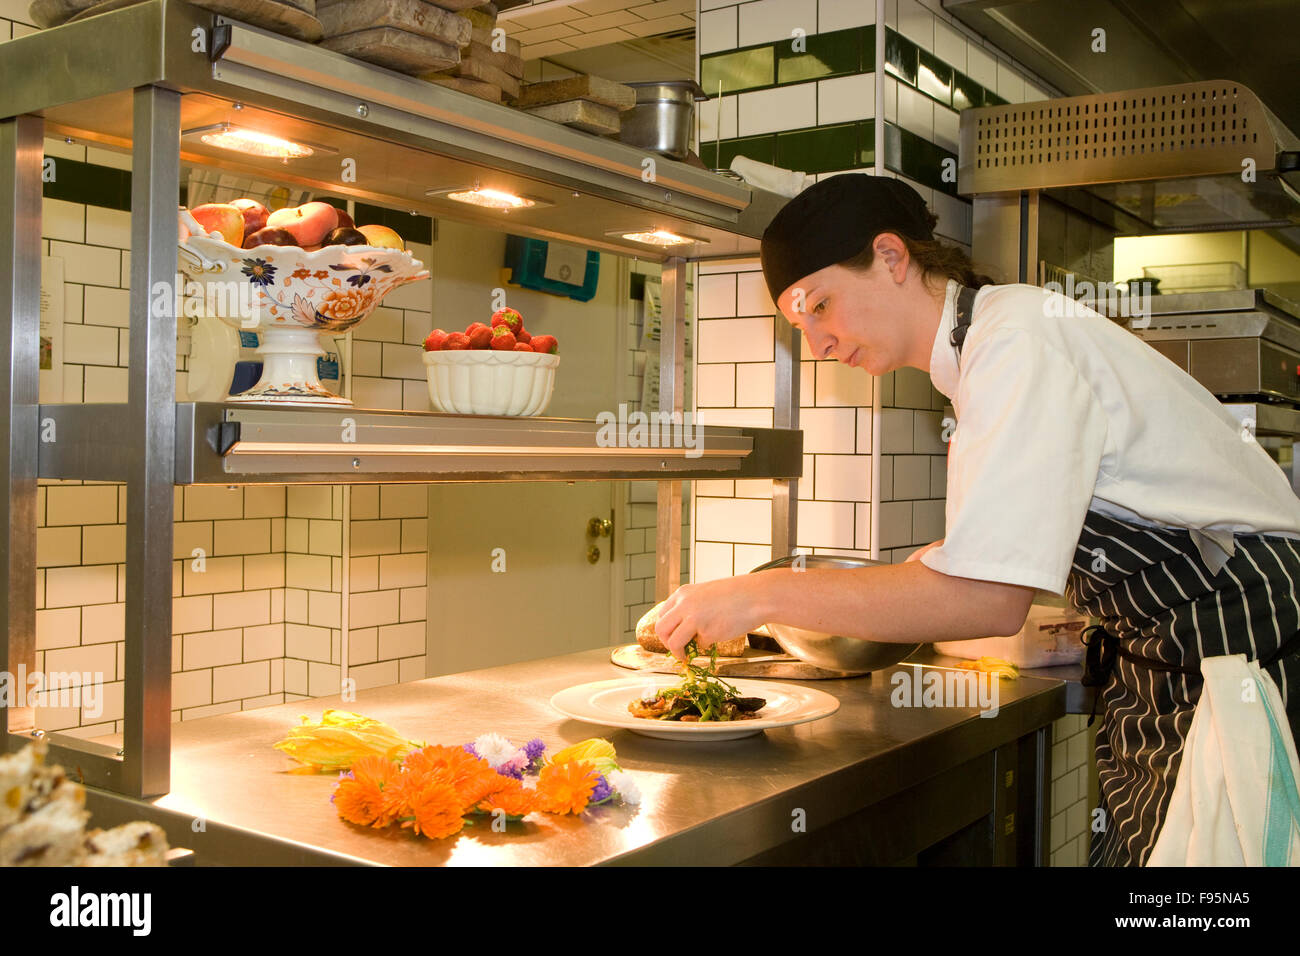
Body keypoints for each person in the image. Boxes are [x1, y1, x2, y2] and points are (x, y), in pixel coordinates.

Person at [653, 173, 1300, 866]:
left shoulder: (1014, 342)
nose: (818, 343)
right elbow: (1000, 547)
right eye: (799, 324)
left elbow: (987, 598)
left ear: (892, 257)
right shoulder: (986, 346)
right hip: (1176, 656)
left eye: (820, 306)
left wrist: (755, 594)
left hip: (1237, 645)